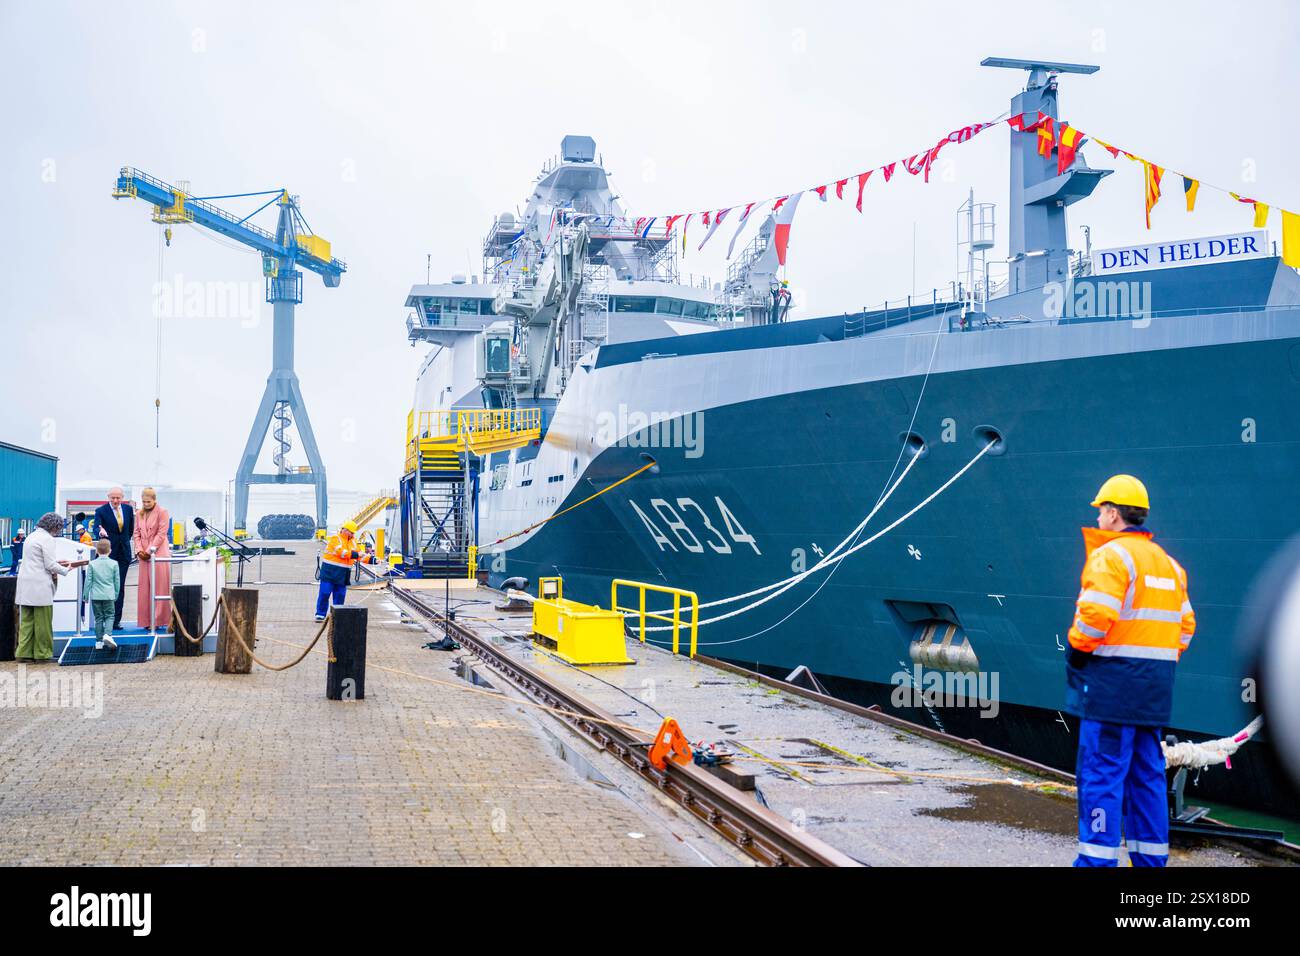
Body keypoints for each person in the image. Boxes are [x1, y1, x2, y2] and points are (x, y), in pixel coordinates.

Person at [1066, 474, 1195, 867]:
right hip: (1154, 691)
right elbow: (1185, 626)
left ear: (1112, 513)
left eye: (1102, 510)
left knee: (1102, 778)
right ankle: (1151, 862)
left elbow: (1095, 616)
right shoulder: (1170, 566)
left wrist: (1077, 649)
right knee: (1147, 779)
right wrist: (1153, 661)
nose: (1100, 517)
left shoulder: (1111, 557)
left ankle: (1096, 863)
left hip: (1112, 690)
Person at [15, 512, 88, 662]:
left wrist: (56, 563)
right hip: (40, 585)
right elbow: (49, 565)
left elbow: (39, 560)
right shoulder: (47, 539)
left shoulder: (31, 536)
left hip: (25, 583)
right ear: (54, 527)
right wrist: (66, 569)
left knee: (27, 622)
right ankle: (43, 654)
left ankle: (24, 654)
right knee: (43, 623)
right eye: (59, 528)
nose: (59, 532)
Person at [92, 486, 135, 632]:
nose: (116, 500)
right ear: (108, 497)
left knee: (120, 586)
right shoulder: (101, 511)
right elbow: (96, 527)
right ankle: (104, 620)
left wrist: (124, 543)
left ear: (122, 498)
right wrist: (100, 530)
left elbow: (130, 531)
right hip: (108, 554)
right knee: (106, 586)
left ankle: (116, 621)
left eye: (118, 498)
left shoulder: (128, 510)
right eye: (113, 498)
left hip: (123, 553)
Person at [132, 487, 172, 630]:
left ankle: (160, 619)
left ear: (154, 500)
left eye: (148, 501)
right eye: (143, 502)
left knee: (160, 586)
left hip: (159, 553)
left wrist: (150, 550)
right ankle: (146, 621)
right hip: (143, 556)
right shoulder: (138, 513)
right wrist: (139, 550)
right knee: (144, 589)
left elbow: (162, 534)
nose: (146, 504)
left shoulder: (163, 512)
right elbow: (136, 534)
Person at [315, 520, 372, 621]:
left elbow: (360, 555)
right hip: (329, 572)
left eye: (353, 532)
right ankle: (320, 614)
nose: (352, 534)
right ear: (345, 530)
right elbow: (342, 553)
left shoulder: (353, 542)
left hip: (343, 574)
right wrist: (357, 555)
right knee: (324, 593)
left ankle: (337, 616)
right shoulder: (335, 539)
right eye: (351, 532)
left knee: (340, 596)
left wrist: (372, 560)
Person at [82, 539, 120, 650]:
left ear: (97, 551)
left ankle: (98, 642)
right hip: (109, 595)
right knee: (109, 616)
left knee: (98, 618)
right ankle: (108, 635)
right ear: (110, 551)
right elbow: (116, 581)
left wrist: (85, 595)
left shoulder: (92, 564)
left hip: (96, 596)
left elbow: (88, 581)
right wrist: (116, 594)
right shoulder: (114, 564)